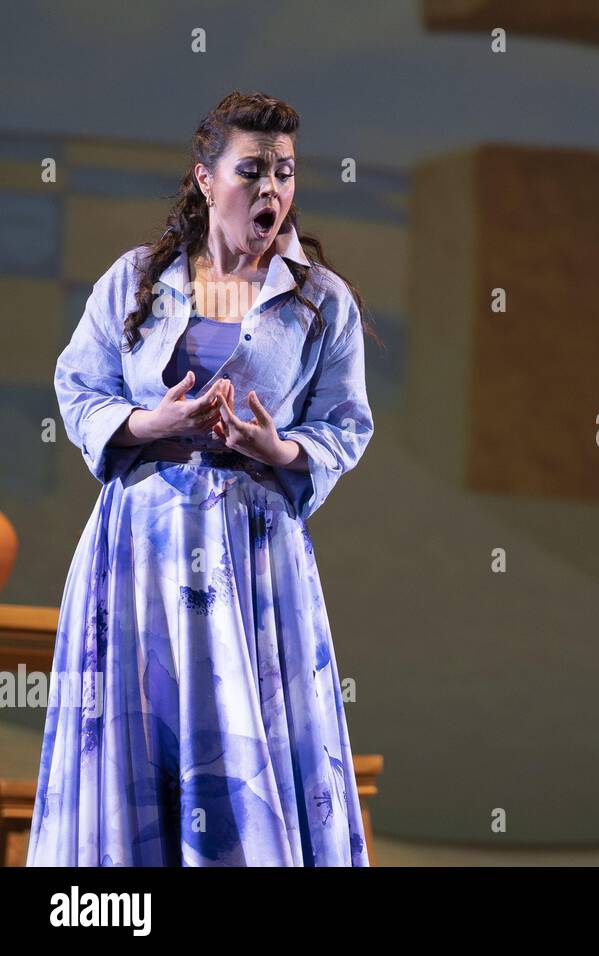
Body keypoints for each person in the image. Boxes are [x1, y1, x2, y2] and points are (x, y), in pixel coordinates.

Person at [28, 91, 377, 866]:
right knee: (136, 744)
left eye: (284, 172)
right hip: (139, 550)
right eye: (251, 170)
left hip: (252, 553)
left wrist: (276, 448)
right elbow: (79, 386)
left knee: (238, 744)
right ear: (204, 179)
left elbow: (346, 425)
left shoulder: (321, 301)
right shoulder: (135, 282)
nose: (272, 190)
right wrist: (150, 424)